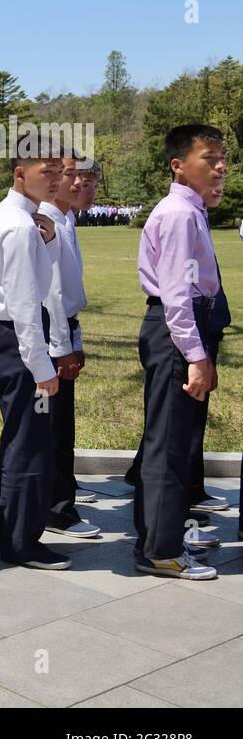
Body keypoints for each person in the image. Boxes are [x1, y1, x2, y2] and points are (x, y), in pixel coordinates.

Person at [130, 124, 228, 580]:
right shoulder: (178, 214)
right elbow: (175, 294)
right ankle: (160, 550)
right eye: (209, 158)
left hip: (182, 327)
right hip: (176, 330)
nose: (221, 167)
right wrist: (195, 354)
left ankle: (158, 536)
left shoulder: (191, 210)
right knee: (168, 445)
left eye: (223, 158)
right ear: (179, 165)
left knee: (173, 441)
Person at [0, 137, 70, 571]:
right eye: (45, 171)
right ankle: (21, 542)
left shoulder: (23, 218)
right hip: (18, 339)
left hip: (11, 335)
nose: (56, 179)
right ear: (20, 174)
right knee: (31, 443)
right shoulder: (15, 224)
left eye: (59, 171)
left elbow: (37, 277)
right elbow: (26, 302)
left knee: (19, 435)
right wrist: (41, 365)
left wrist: (48, 242)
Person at [39, 153, 102, 539]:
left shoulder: (66, 219)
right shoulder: (46, 222)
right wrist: (62, 347)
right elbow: (50, 294)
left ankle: (60, 497)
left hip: (64, 328)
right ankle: (54, 508)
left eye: (87, 177)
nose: (81, 184)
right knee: (51, 427)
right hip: (48, 335)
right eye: (71, 176)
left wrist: (73, 340)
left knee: (61, 426)